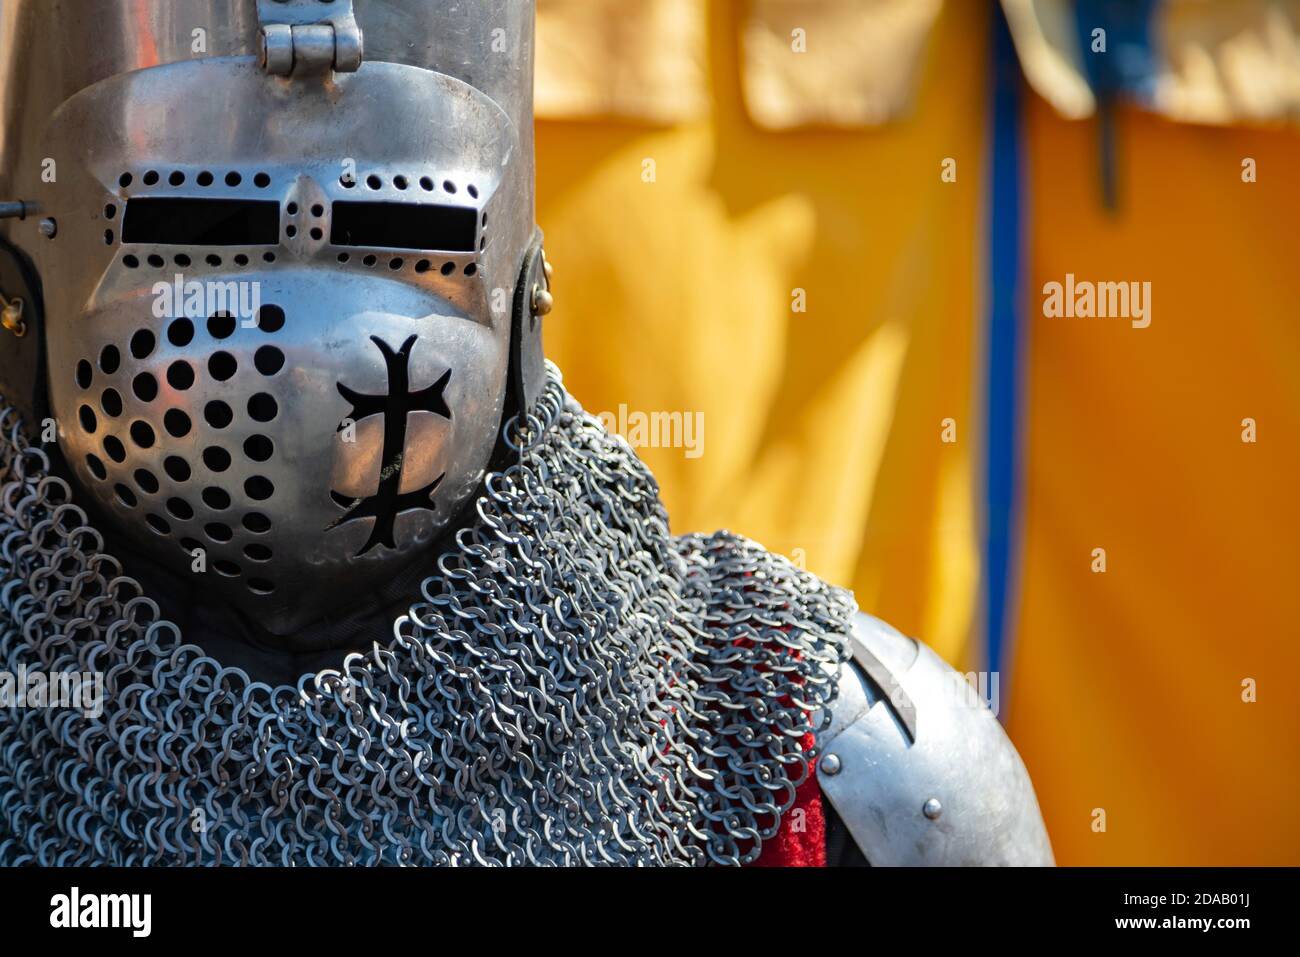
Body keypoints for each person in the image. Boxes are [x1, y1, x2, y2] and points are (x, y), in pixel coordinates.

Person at [0, 0, 1050, 866]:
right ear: (26, 294)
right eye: (198, 228)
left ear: (521, 292)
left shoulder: (810, 746)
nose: (306, 331)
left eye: (408, 236)